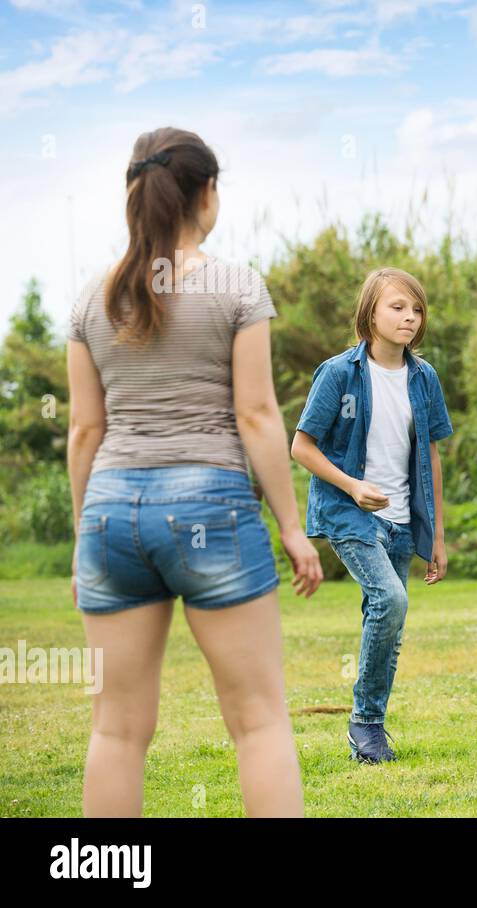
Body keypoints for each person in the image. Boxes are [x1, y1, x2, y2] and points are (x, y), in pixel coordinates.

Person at [67, 127, 322, 817]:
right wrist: (294, 530)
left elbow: (86, 430)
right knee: (259, 721)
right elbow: (258, 416)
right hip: (210, 504)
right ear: (207, 193)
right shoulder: (236, 286)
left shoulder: (92, 299)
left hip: (112, 511)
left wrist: (82, 539)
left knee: (116, 730)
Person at [291, 268, 453, 764]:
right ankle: (365, 723)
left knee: (385, 617)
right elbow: (301, 447)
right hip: (349, 513)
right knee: (391, 600)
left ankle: (370, 730)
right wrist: (353, 485)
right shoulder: (339, 374)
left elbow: (431, 456)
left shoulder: (424, 378)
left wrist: (438, 537)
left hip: (403, 519)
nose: (409, 318)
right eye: (397, 307)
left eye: (416, 309)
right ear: (370, 313)